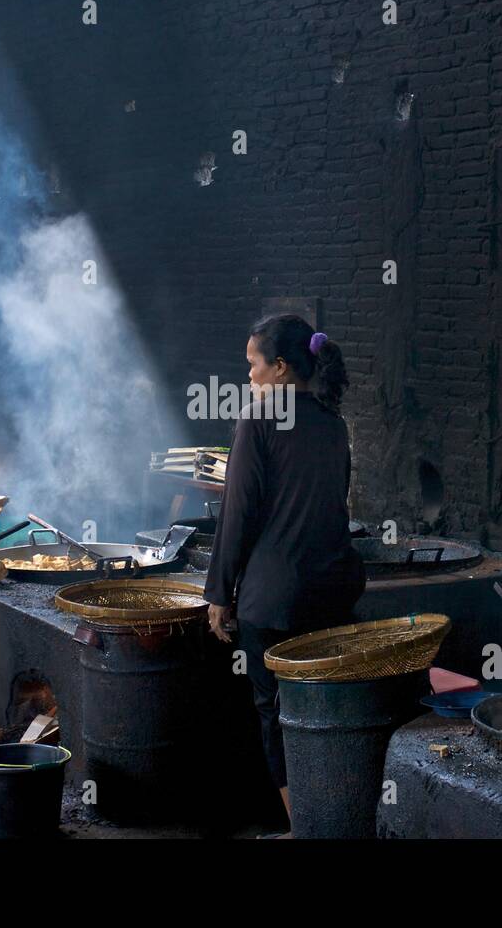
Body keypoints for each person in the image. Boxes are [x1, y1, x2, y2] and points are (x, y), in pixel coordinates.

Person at [204, 314, 366, 832]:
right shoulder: (333, 423)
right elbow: (333, 506)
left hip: (273, 603)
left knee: (276, 713)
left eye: (253, 364)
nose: (248, 375)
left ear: (278, 368)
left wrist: (218, 592)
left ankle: (303, 828)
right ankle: (333, 821)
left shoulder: (256, 420)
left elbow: (237, 515)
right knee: (325, 716)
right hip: (331, 594)